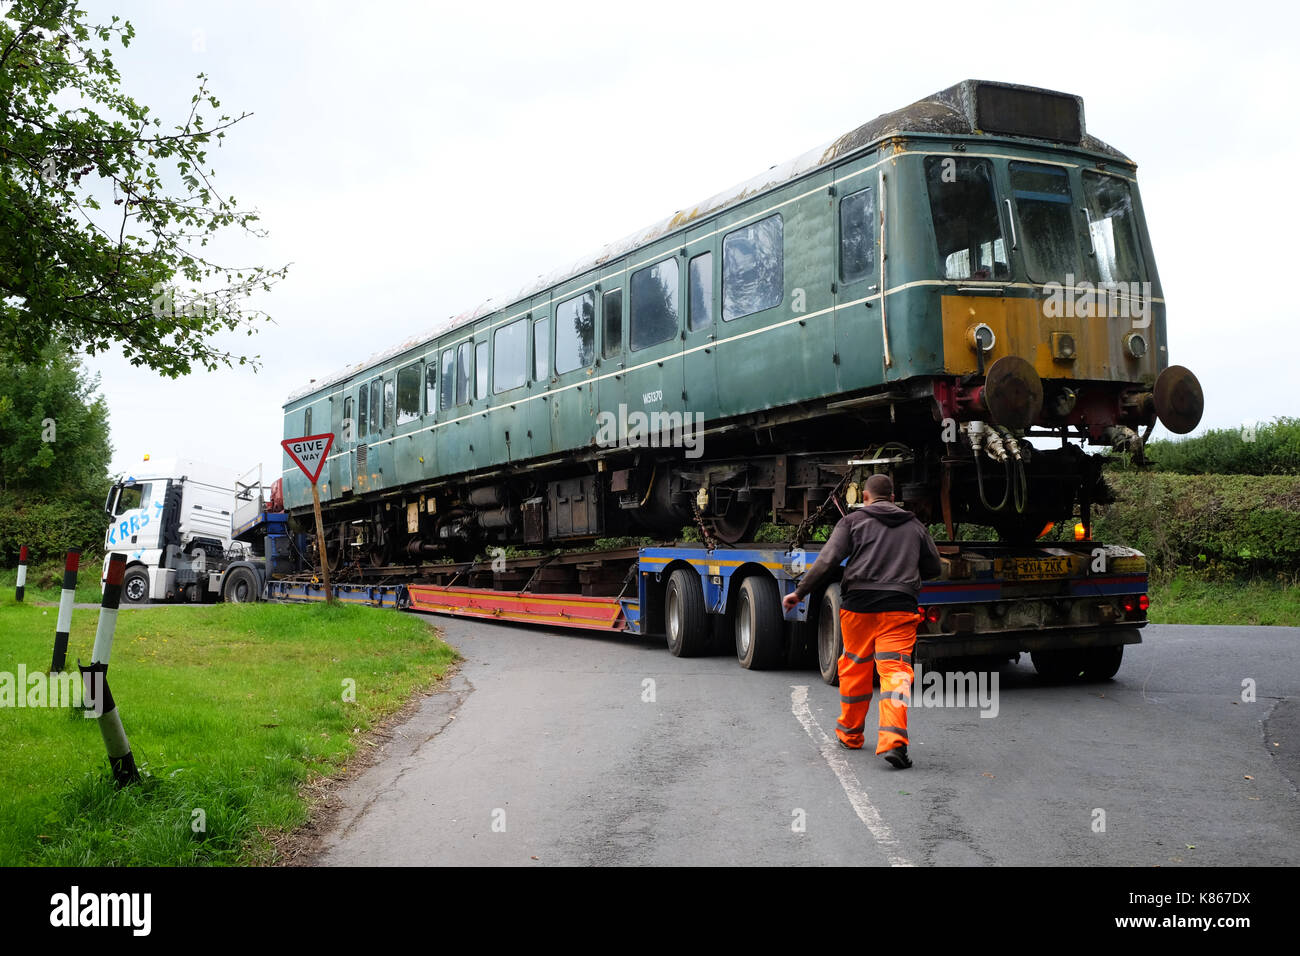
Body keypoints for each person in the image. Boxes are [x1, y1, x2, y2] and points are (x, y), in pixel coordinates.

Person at [782, 474, 942, 768]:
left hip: (858, 608)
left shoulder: (852, 522)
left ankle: (850, 734)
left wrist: (800, 592)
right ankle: (894, 741)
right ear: (893, 498)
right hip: (899, 607)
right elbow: (933, 568)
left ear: (865, 497)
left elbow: (828, 560)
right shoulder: (914, 526)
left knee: (854, 667)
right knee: (895, 670)